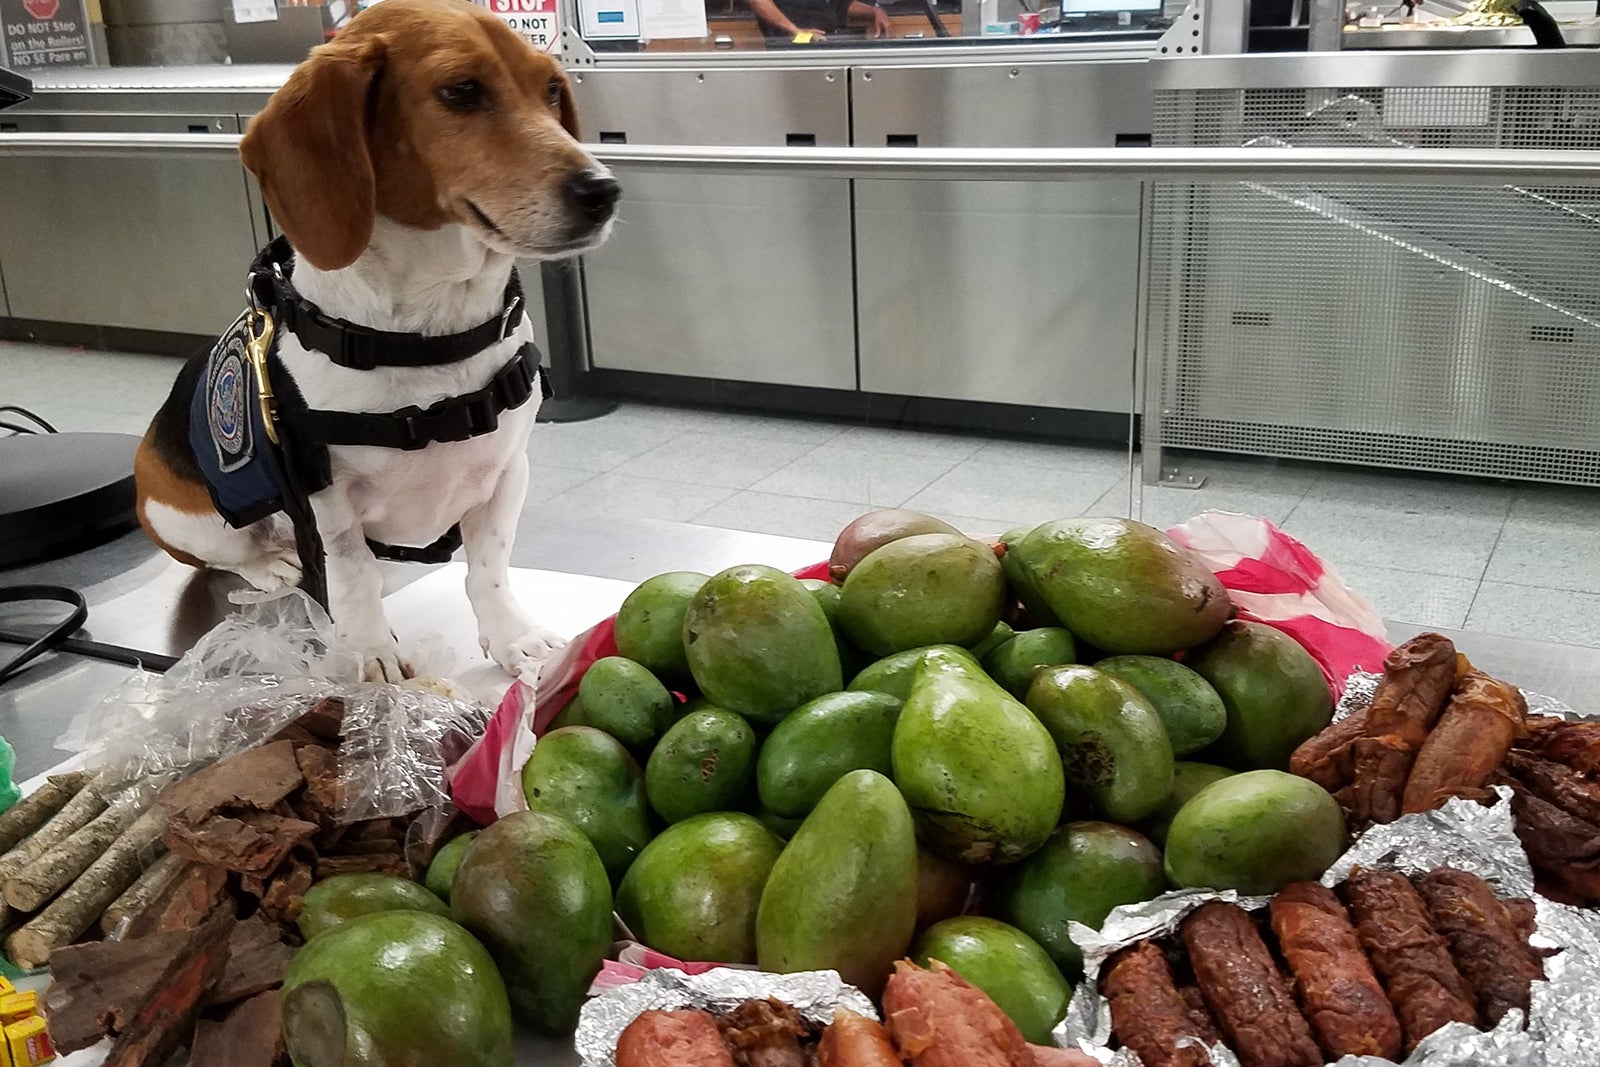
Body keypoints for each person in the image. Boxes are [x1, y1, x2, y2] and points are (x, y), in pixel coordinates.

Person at [748, 0, 892, 40]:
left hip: (830, 37)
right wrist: (796, 31)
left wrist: (874, 11)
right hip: (793, 42)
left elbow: (840, 5)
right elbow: (758, 2)